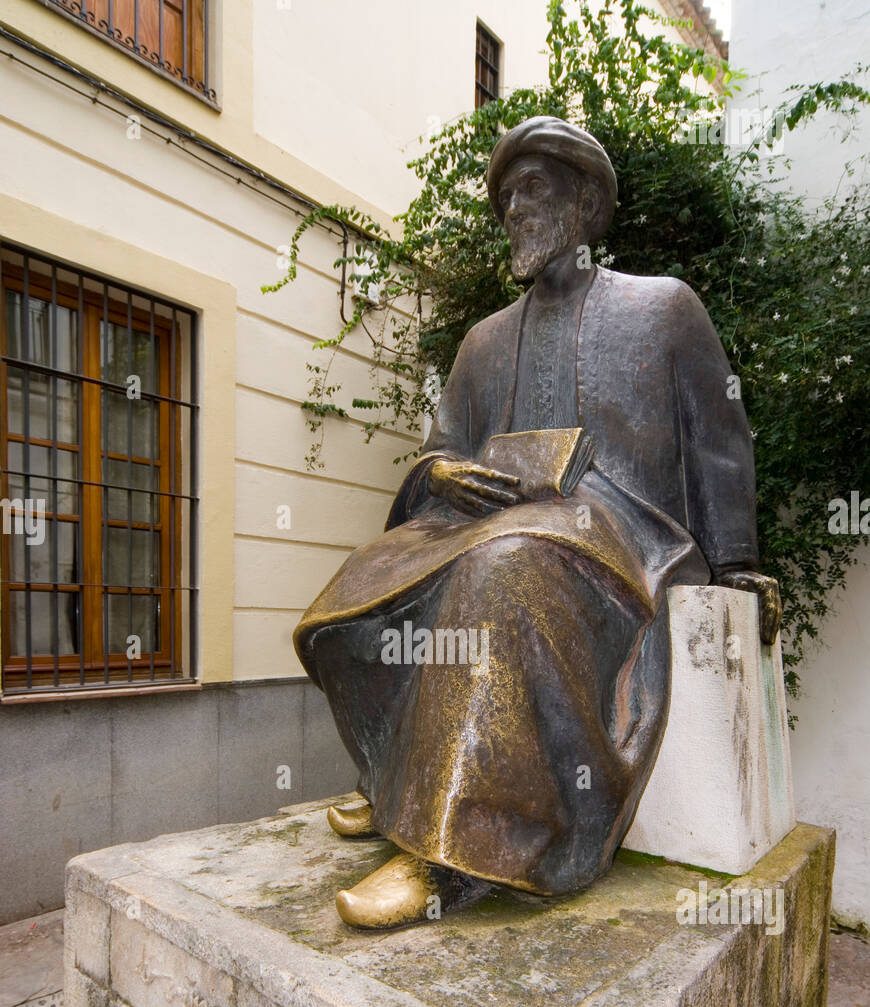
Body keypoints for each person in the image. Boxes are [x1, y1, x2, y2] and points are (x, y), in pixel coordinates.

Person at [294, 116, 782, 929]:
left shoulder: (666, 309)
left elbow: (720, 443)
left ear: (586, 201)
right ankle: (396, 781)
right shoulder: (482, 343)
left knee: (504, 569)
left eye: (533, 190)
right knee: (370, 578)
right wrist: (440, 474)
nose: (515, 209)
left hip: (624, 533)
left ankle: (448, 847)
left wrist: (735, 562)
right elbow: (438, 452)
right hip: (494, 520)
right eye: (506, 196)